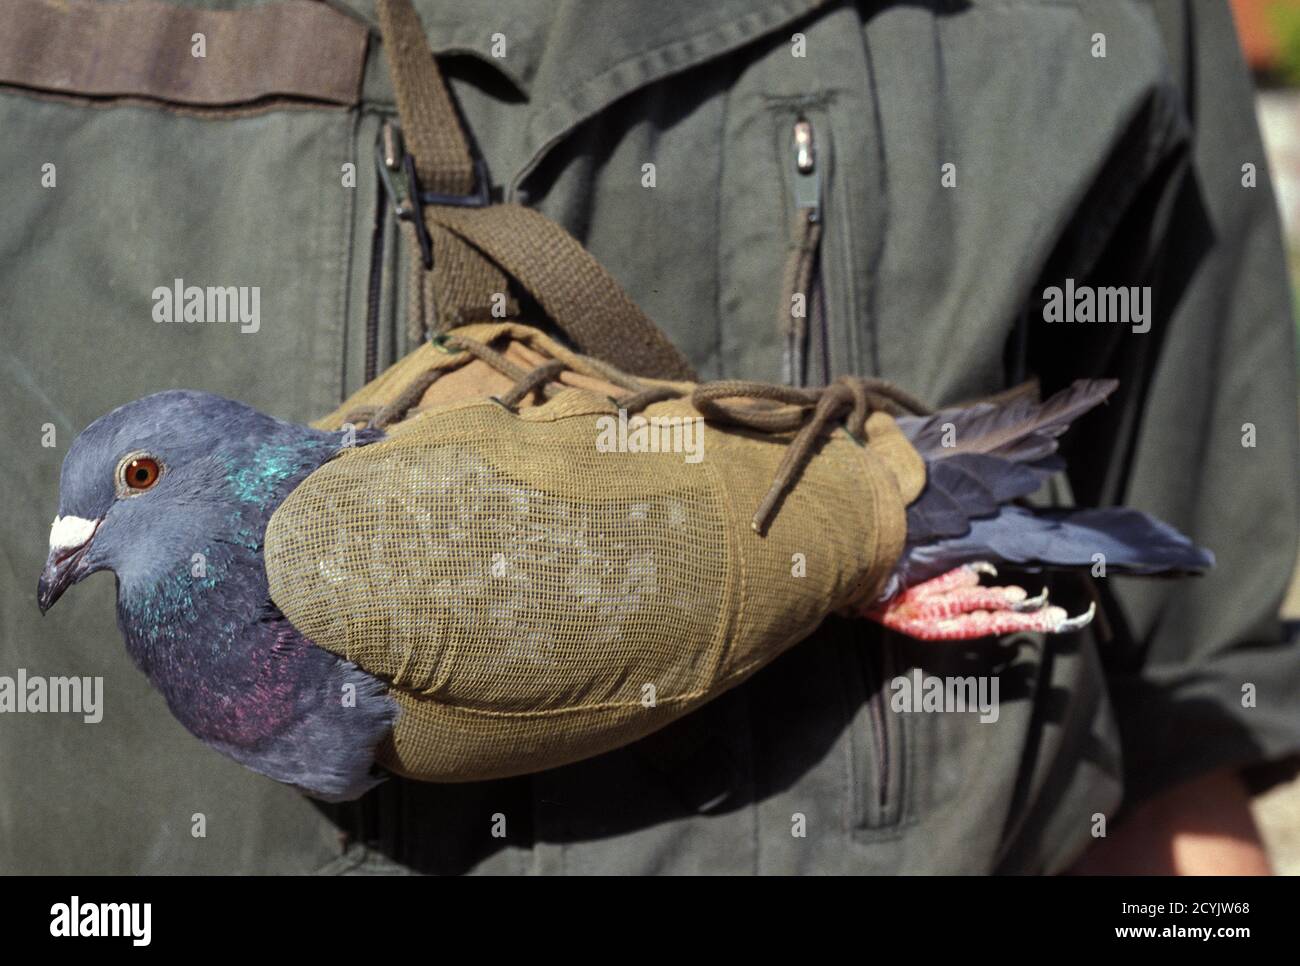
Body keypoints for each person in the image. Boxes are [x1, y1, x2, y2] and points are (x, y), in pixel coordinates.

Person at [2, 0, 1295, 874]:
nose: (80, 545)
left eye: (134, 484)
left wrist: (872, 527)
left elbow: (1180, 760)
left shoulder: (1079, 31)